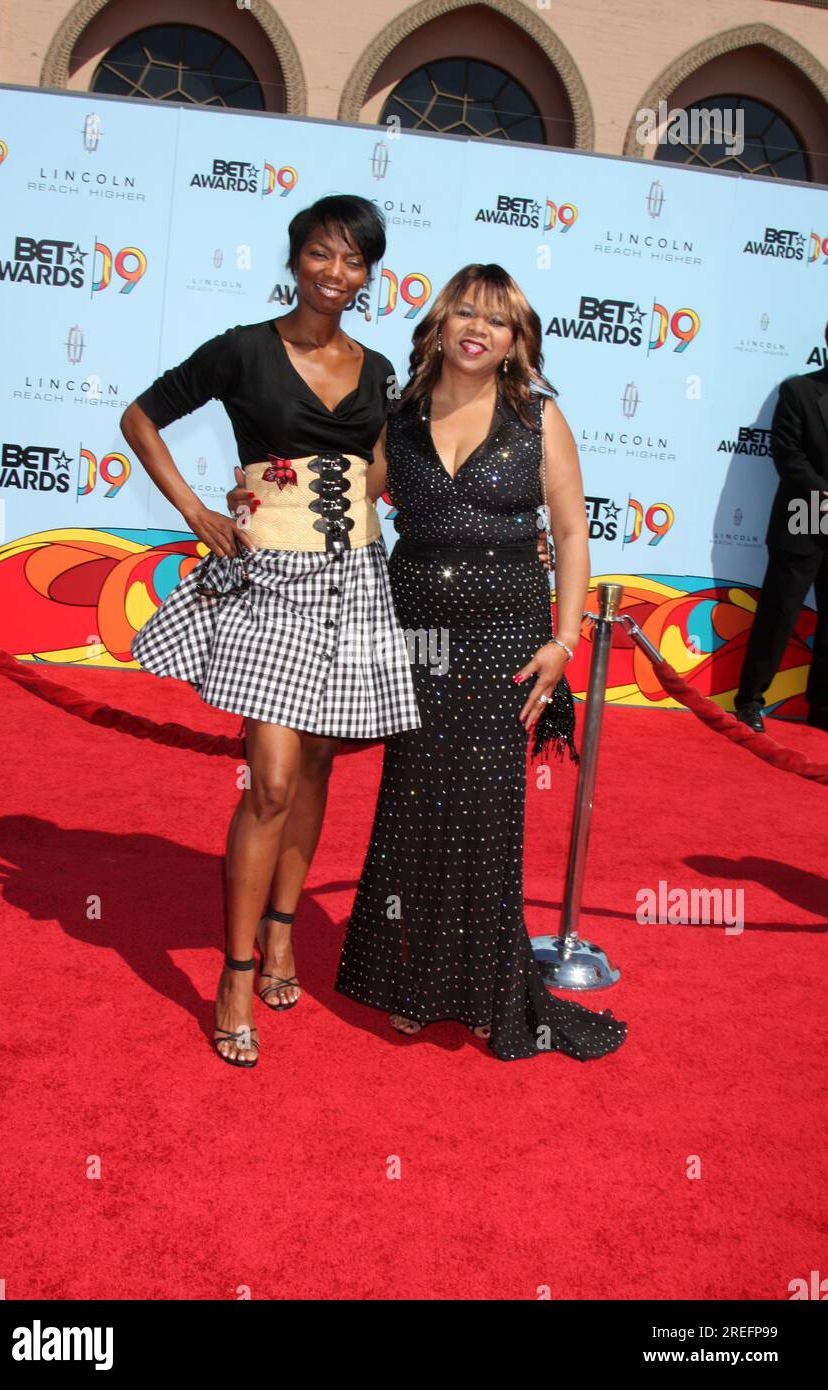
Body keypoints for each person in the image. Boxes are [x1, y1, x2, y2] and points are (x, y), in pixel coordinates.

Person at [120, 195, 421, 1069]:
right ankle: (237, 973)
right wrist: (193, 508)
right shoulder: (245, 349)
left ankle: (285, 931)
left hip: (355, 579)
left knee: (320, 764)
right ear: (296, 258)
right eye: (323, 253)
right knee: (273, 782)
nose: (337, 272)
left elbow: (389, 475)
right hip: (268, 581)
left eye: (355, 260)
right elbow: (141, 415)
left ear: (370, 274)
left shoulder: (377, 370)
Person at [332, 263, 626, 1061]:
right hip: (416, 636)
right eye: (465, 311)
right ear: (440, 323)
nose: (478, 328)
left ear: (515, 342)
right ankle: (411, 983)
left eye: (497, 320)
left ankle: (489, 986)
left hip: (507, 642)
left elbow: (570, 536)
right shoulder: (402, 414)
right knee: (414, 805)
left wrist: (563, 645)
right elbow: (355, 506)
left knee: (488, 814)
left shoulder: (538, 420)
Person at [734, 367, 828, 733]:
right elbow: (788, 454)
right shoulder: (800, 391)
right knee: (781, 610)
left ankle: (821, 708)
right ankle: (750, 701)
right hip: (807, 509)